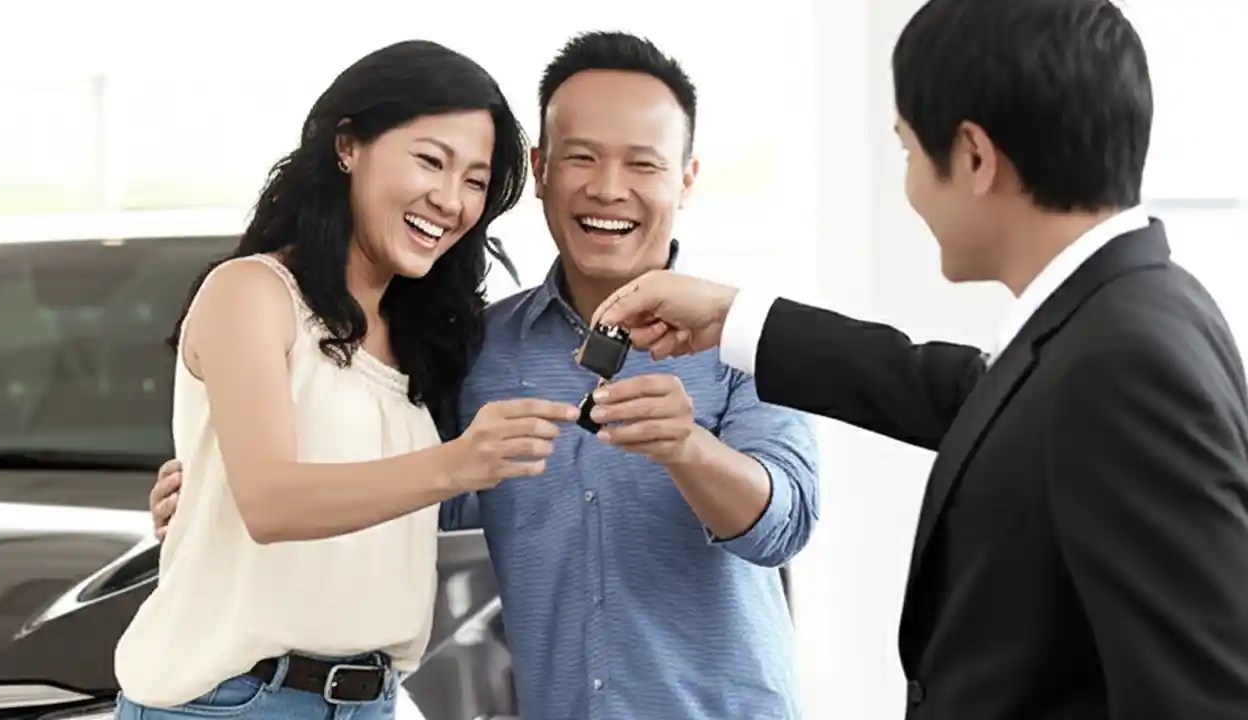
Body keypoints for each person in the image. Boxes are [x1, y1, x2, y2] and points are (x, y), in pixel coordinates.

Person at [593, 1, 1248, 718]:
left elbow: (1203, 698)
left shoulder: (1126, 361)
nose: (908, 187)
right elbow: (976, 396)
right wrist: (737, 317)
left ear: (973, 156)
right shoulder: (1115, 316)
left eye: (907, 150)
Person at [152, 31, 820, 719]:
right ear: (540, 170)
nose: (608, 189)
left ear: (685, 177)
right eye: (582, 158)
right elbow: (405, 486)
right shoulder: (475, 347)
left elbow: (784, 525)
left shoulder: (744, 340)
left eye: (642, 164)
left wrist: (688, 449)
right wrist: (213, 488)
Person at [114, 40, 578, 720]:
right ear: (348, 145)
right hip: (231, 704)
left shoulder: (424, 335)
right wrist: (457, 463)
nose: (450, 200)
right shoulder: (253, 292)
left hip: (372, 701)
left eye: (475, 181)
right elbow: (272, 503)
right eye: (429, 160)